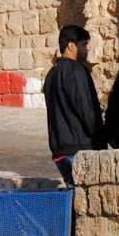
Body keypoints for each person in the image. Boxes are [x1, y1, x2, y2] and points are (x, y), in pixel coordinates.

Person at [42, 24, 102, 186]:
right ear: (71, 45)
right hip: (79, 148)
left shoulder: (51, 74)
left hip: (60, 148)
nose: (88, 49)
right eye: (84, 44)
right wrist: (100, 138)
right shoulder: (76, 71)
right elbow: (85, 108)